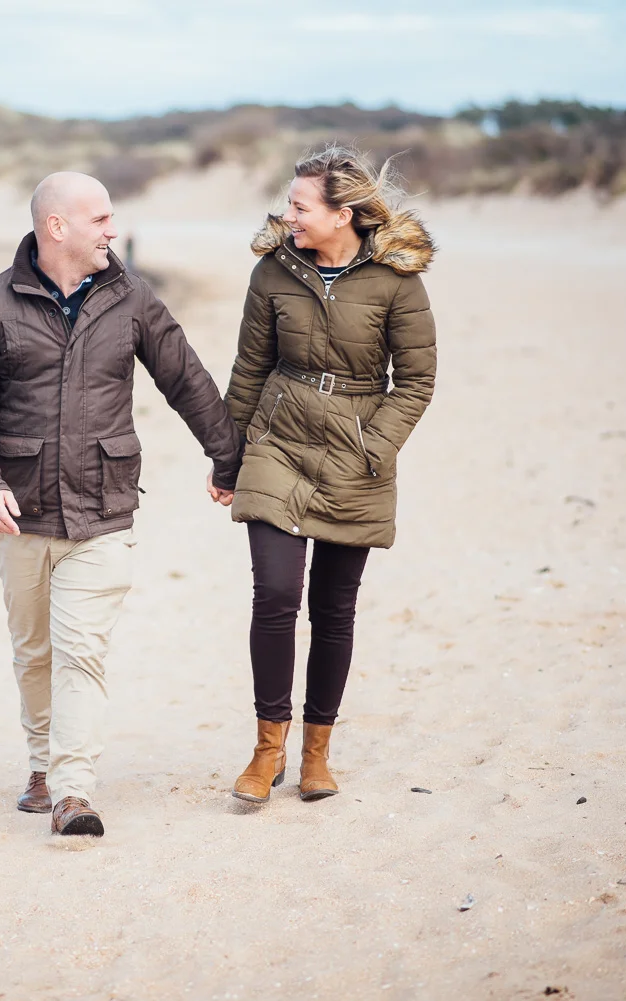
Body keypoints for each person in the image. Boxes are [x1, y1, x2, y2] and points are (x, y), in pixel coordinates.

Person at [0, 172, 242, 835]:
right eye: (101, 218)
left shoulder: (132, 298)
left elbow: (185, 377)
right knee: (35, 651)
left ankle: (72, 790)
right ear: (58, 228)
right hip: (18, 510)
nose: (114, 229)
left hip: (104, 508)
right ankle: (41, 764)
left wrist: (229, 456)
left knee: (81, 651)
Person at [215, 145, 437, 803]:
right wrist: (228, 457)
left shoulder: (399, 279)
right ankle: (266, 750)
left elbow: (417, 380)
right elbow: (249, 368)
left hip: (357, 451)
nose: (288, 216)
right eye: (289, 204)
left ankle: (317, 754)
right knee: (276, 594)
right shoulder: (273, 273)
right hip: (277, 442)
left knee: (335, 608)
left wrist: (376, 446)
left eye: (301, 206)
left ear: (344, 213)